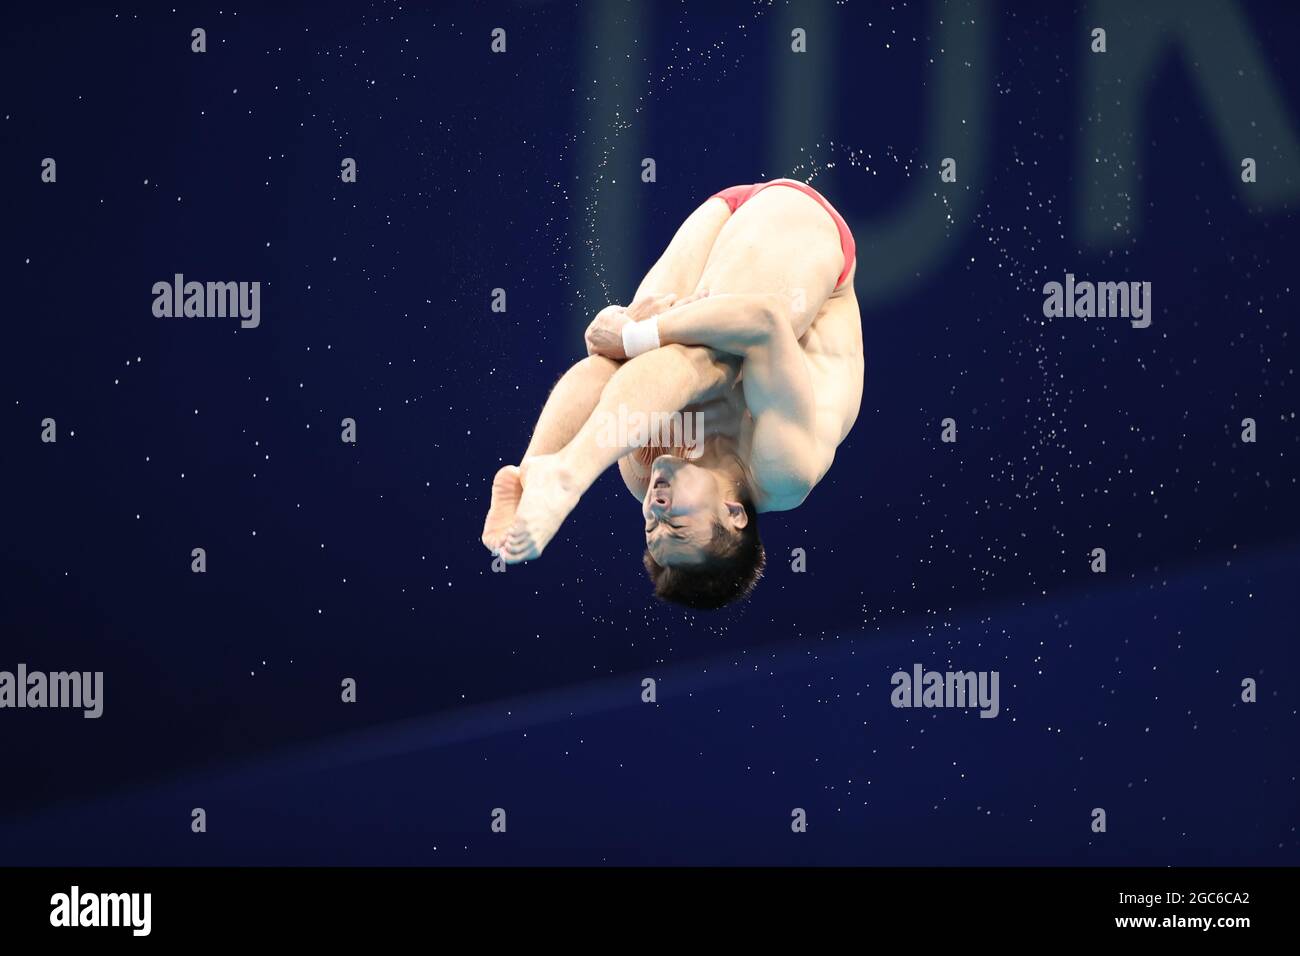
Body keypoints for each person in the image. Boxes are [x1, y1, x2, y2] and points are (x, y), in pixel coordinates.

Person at [482, 179, 864, 609]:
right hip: (797, 224)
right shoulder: (782, 473)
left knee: (620, 372)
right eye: (676, 527)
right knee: (714, 361)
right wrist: (633, 335)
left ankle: (533, 470)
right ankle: (569, 476)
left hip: (721, 216)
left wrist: (623, 341)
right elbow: (765, 322)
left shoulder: (643, 475)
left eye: (650, 529)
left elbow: (598, 368)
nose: (655, 509)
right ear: (733, 514)